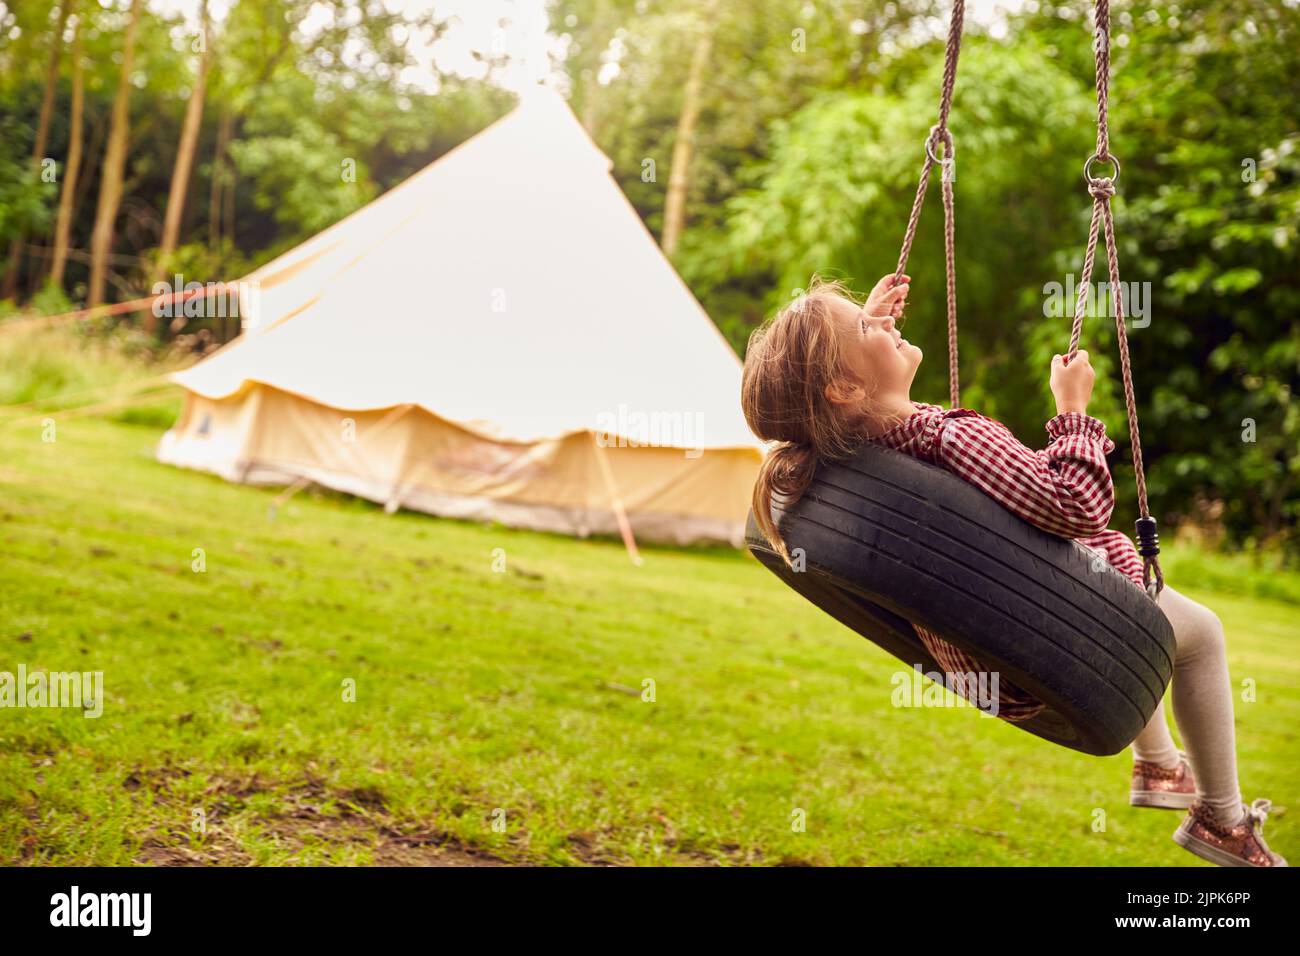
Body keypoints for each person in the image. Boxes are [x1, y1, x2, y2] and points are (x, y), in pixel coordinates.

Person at [740, 274, 1286, 868]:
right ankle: (1222, 820)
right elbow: (1076, 506)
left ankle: (1158, 763)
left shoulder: (857, 455)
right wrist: (1072, 411)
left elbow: (861, 393)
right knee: (1200, 633)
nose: (887, 326)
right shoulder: (951, 437)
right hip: (1067, 628)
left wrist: (868, 327)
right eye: (870, 329)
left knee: (1149, 633)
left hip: (1000, 661)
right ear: (842, 387)